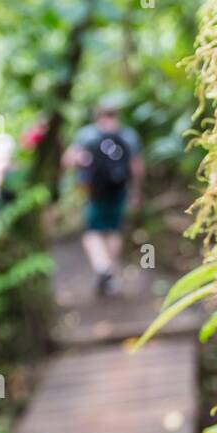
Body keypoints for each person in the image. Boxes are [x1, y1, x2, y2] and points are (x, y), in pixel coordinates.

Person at [63, 102, 144, 296]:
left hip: (93, 192)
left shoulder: (86, 134)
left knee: (93, 232)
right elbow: (136, 167)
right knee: (113, 230)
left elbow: (68, 161)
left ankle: (103, 268)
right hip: (119, 190)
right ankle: (111, 276)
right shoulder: (128, 136)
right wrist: (137, 191)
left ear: (96, 117)